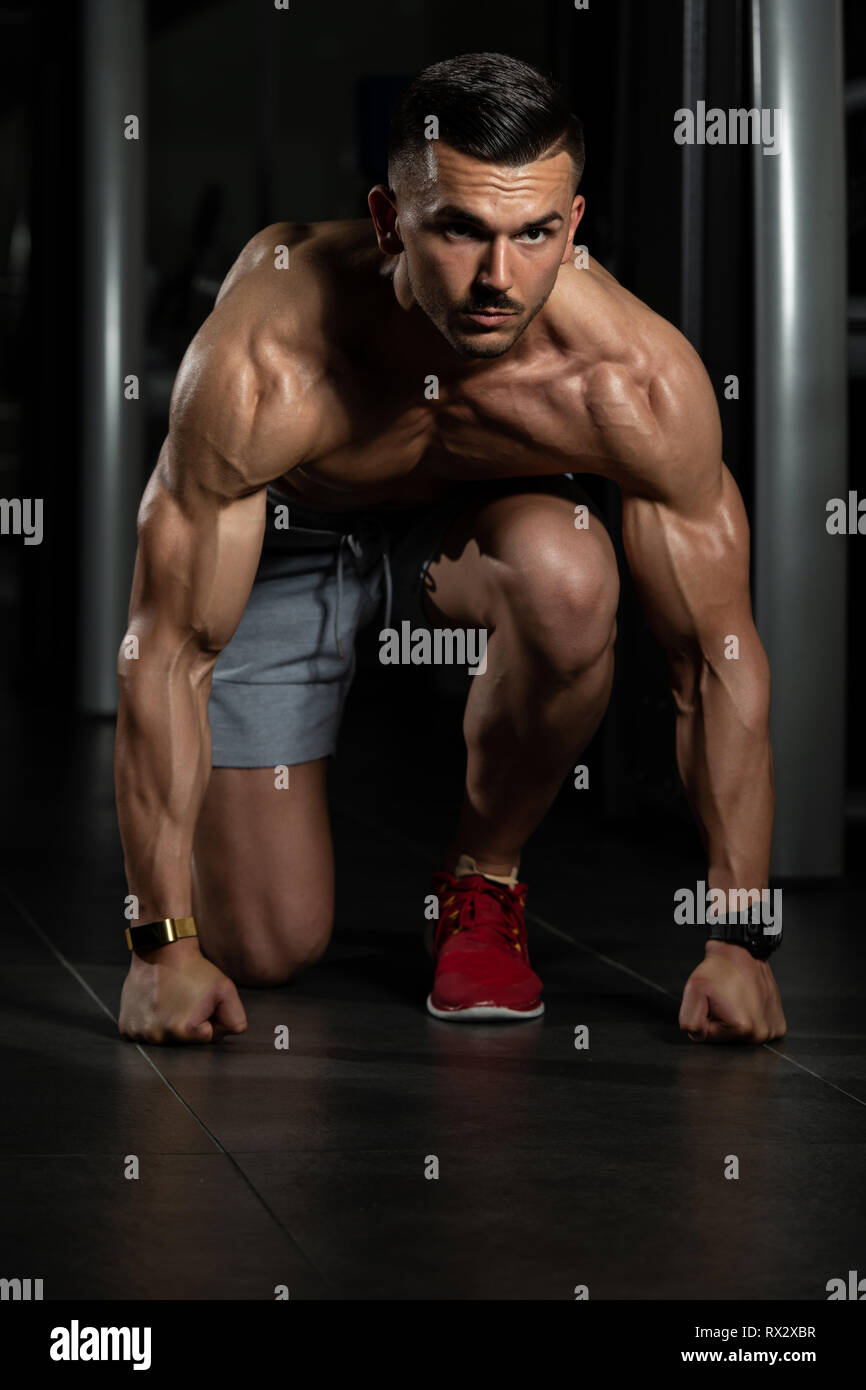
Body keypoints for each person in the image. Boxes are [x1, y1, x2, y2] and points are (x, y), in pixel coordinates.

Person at [116, 52, 786, 1046]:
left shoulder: (629, 380)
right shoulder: (270, 354)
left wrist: (737, 940)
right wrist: (160, 946)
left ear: (573, 223)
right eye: (459, 229)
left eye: (534, 233)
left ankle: (483, 881)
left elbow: (713, 656)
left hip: (471, 540)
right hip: (287, 551)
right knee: (264, 947)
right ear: (389, 222)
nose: (496, 279)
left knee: (567, 569)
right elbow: (166, 650)